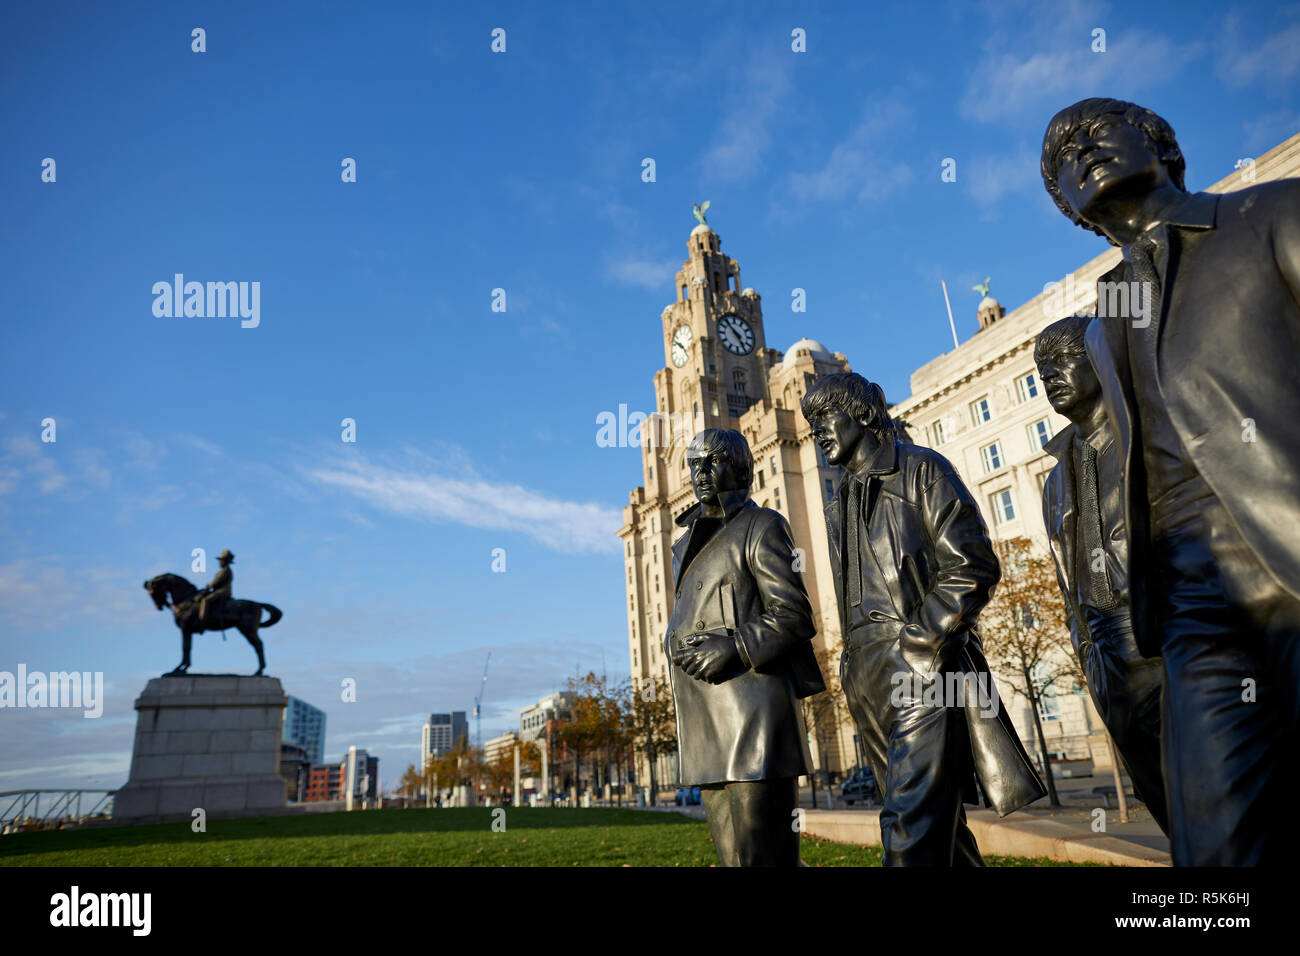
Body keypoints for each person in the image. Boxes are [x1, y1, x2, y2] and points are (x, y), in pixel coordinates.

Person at [1041, 97, 1300, 864]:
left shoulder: (1270, 212)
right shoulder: (1101, 323)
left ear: (1158, 142)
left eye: (1096, 133)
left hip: (1287, 560)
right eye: (1061, 159)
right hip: (1191, 613)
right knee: (1212, 848)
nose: (1080, 152)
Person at [802, 372, 1043, 866]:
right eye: (810, 423)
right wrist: (852, 667)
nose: (816, 431)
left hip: (921, 665)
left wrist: (921, 642)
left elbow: (972, 563)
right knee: (941, 830)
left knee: (908, 827)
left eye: (825, 416)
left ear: (863, 413)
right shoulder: (837, 505)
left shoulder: (920, 470)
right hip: (865, 674)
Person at [666, 428, 824, 866]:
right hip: (706, 721)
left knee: (766, 857)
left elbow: (794, 614)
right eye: (693, 464)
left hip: (753, 719)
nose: (700, 473)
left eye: (712, 461)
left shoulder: (762, 525)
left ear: (737, 467)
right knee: (733, 859)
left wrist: (735, 646)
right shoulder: (688, 541)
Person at [1035, 315, 1167, 834]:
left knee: (1210, 784)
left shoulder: (1145, 431)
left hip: (1156, 627)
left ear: (1097, 358)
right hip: (1104, 649)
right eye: (1041, 371)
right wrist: (1084, 644)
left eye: (1061, 361)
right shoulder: (1054, 478)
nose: (1050, 377)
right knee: (1156, 788)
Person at [198, 549, 234, 628]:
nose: (220, 562)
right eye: (220, 560)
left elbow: (216, 581)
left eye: (221, 560)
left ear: (226, 561)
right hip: (218, 591)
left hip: (223, 591)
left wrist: (208, 586)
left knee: (205, 600)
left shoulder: (226, 571)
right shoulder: (222, 571)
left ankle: (202, 621)